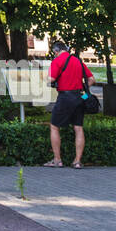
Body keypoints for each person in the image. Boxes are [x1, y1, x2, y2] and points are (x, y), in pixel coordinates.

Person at [45, 40, 94, 168]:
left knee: (54, 126)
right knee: (78, 128)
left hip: (65, 97)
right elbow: (91, 79)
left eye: (54, 53)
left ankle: (57, 160)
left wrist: (45, 80)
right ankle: (77, 161)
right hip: (79, 97)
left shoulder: (57, 61)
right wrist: (83, 93)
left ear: (56, 51)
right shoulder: (78, 60)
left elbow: (51, 79)